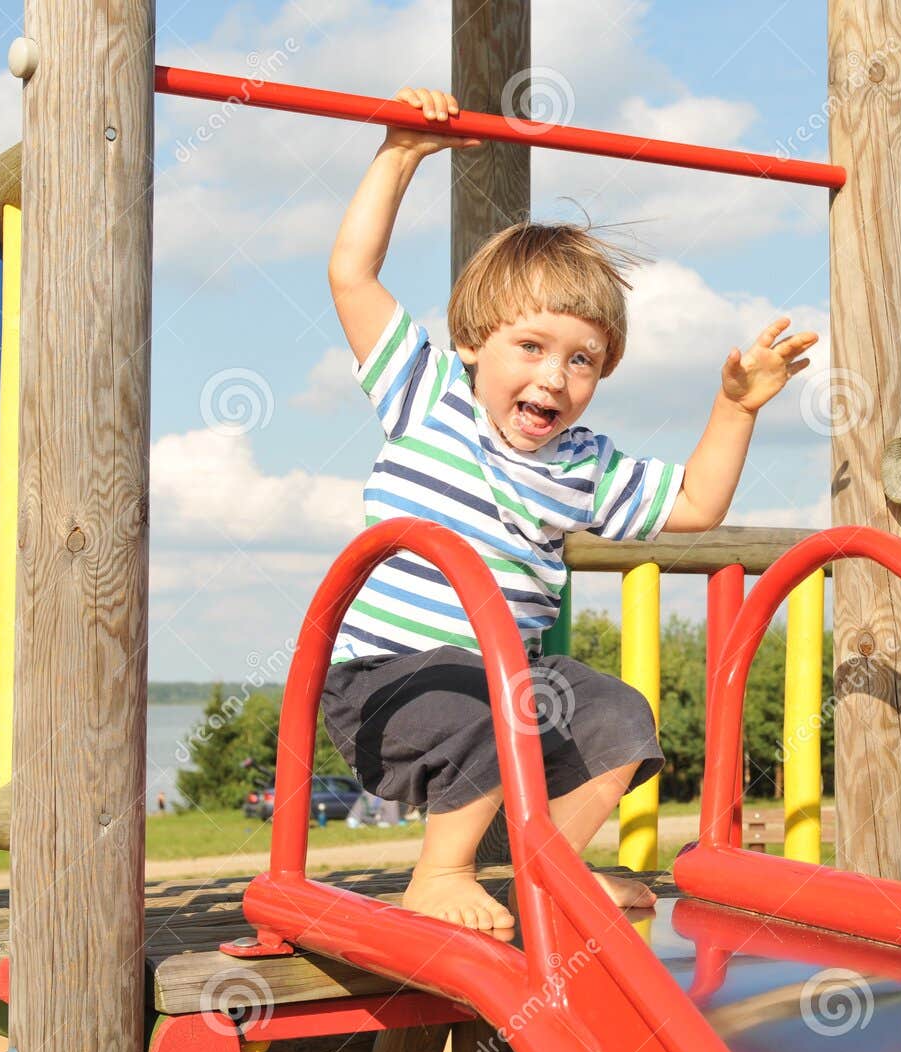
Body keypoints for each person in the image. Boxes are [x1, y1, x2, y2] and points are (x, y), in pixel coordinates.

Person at [319, 87, 816, 935]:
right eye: (532, 347)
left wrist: (737, 409)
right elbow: (351, 275)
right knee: (492, 698)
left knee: (618, 714)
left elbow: (695, 503)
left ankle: (542, 874)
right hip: (385, 687)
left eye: (582, 359)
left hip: (502, 683)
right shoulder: (428, 394)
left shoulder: (582, 466)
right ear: (474, 342)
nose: (554, 376)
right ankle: (440, 874)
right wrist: (399, 153)